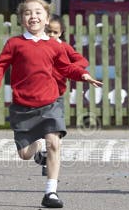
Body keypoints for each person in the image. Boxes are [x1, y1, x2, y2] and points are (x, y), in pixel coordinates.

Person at [0, 0, 102, 208]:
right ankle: (37, 147)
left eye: (38, 12)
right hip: (23, 106)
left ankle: (51, 192)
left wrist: (82, 75)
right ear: (21, 19)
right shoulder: (14, 44)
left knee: (54, 142)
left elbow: (66, 67)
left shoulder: (54, 45)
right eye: (28, 13)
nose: (33, 16)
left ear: (46, 19)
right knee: (25, 154)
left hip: (50, 102)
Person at [36, 14, 90, 175]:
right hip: (39, 92)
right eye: (48, 31)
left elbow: (82, 61)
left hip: (57, 94)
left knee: (55, 129)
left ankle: (48, 159)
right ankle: (43, 152)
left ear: (61, 33)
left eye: (55, 32)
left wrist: (69, 68)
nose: (51, 35)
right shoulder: (38, 45)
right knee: (42, 127)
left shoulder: (64, 47)